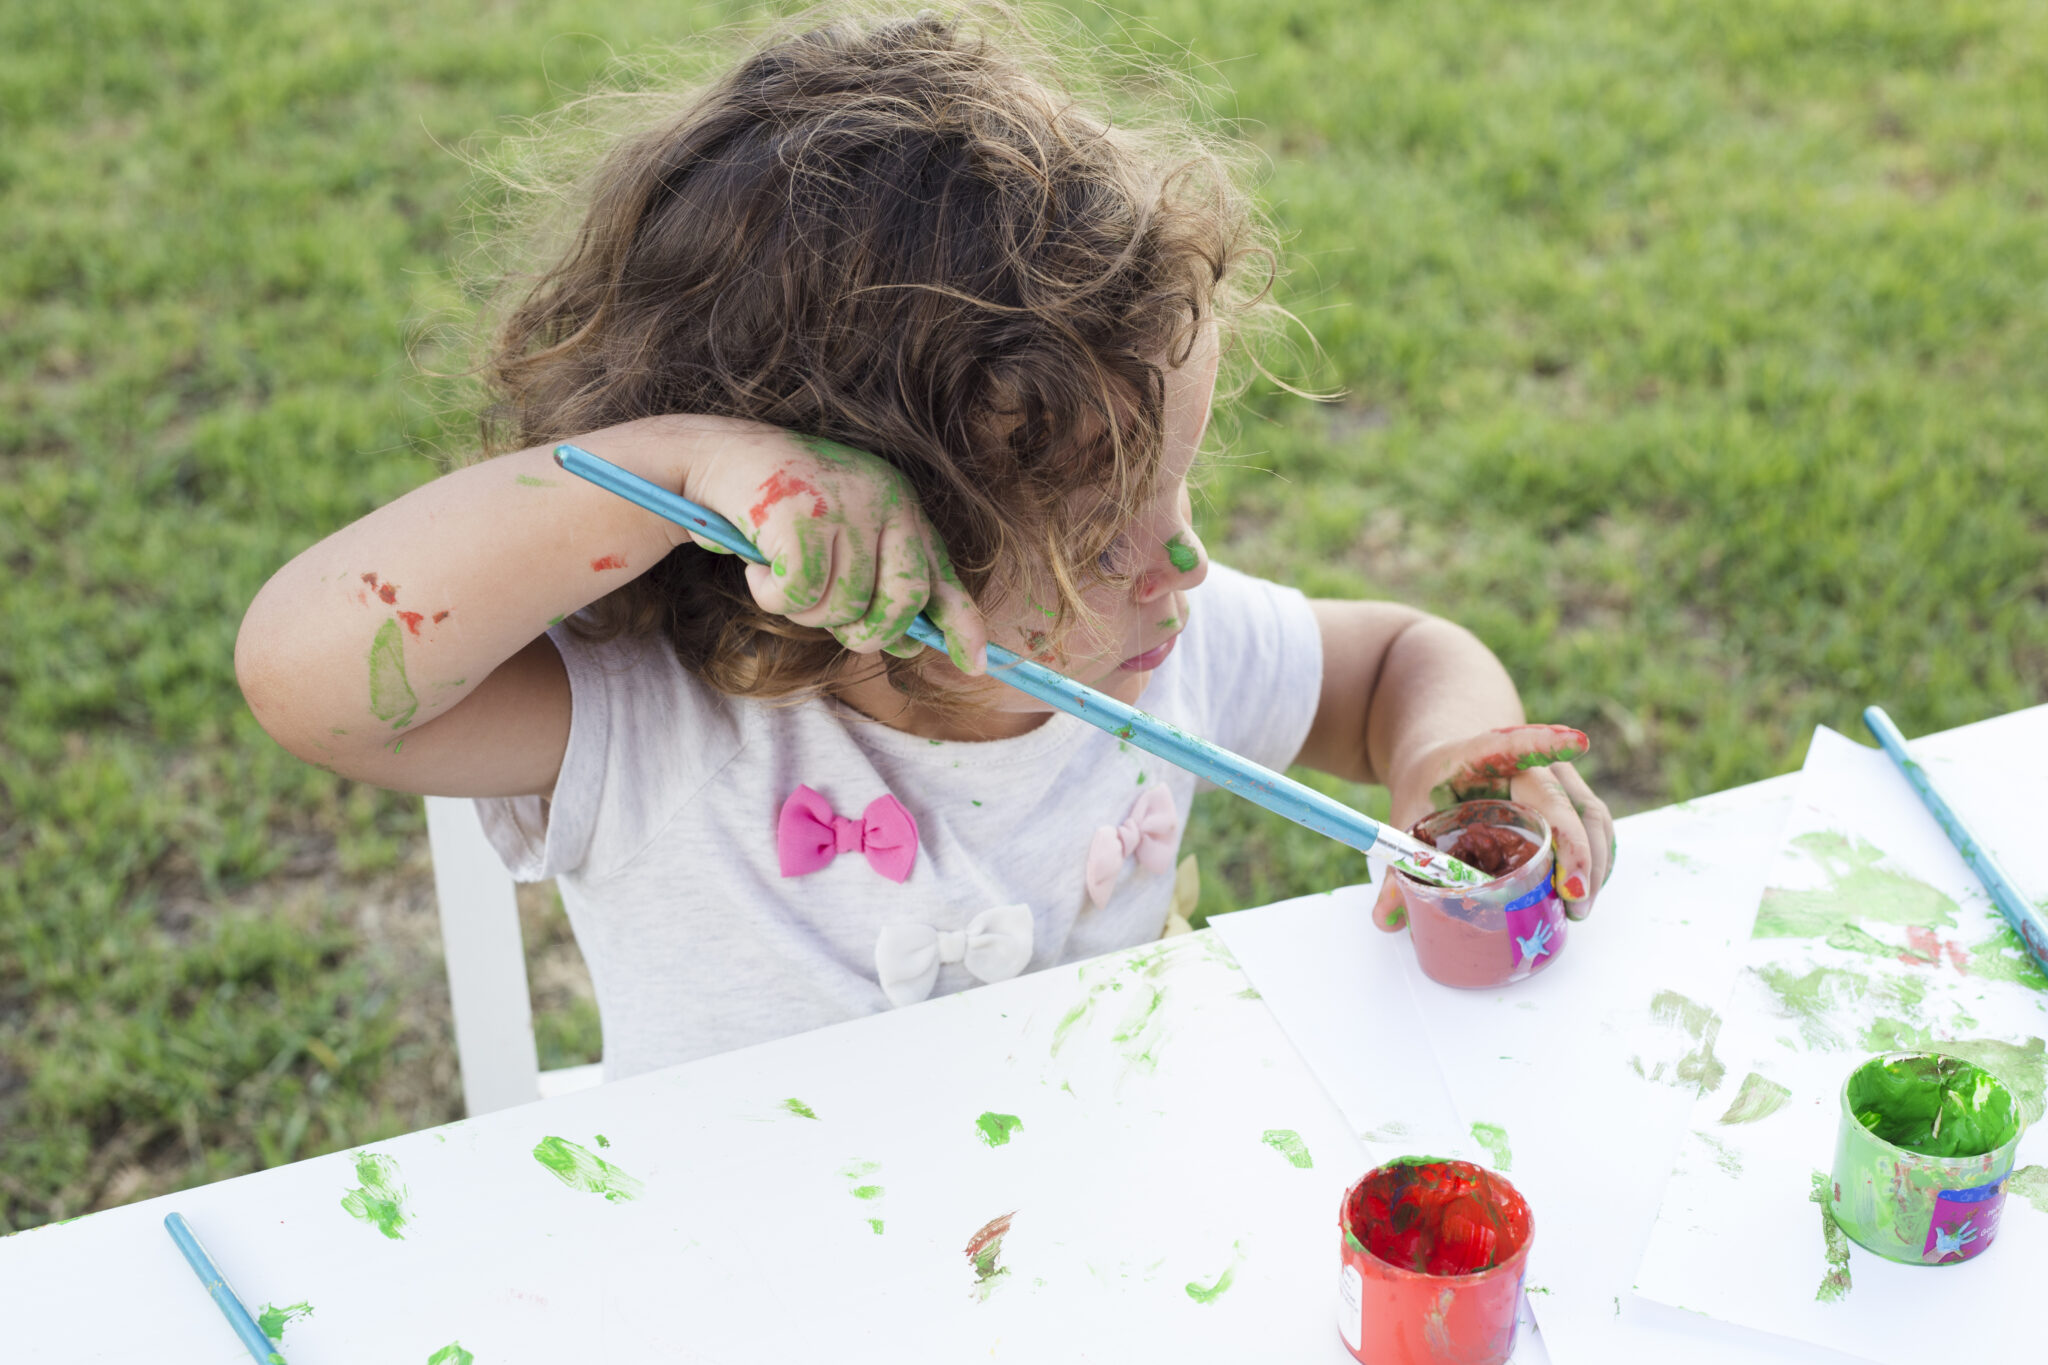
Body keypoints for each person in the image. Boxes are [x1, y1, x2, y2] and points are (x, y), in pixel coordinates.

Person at [235, 6, 1615, 1080]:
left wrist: (1444, 755)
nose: (1182, 566)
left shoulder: (1161, 661)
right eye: (1093, 529)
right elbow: (308, 677)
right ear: (854, 541)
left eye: (1178, 490)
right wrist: (673, 467)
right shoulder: (656, 731)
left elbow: (1395, 664)